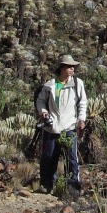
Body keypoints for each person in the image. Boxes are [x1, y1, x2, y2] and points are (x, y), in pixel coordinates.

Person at [35, 56, 88, 197]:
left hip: (70, 126)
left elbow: (82, 103)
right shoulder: (49, 85)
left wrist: (81, 120)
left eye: (73, 67)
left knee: (71, 158)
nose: (72, 69)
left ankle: (73, 187)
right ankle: (47, 185)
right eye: (69, 66)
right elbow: (40, 101)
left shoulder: (77, 84)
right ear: (61, 68)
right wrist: (44, 112)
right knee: (48, 157)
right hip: (51, 127)